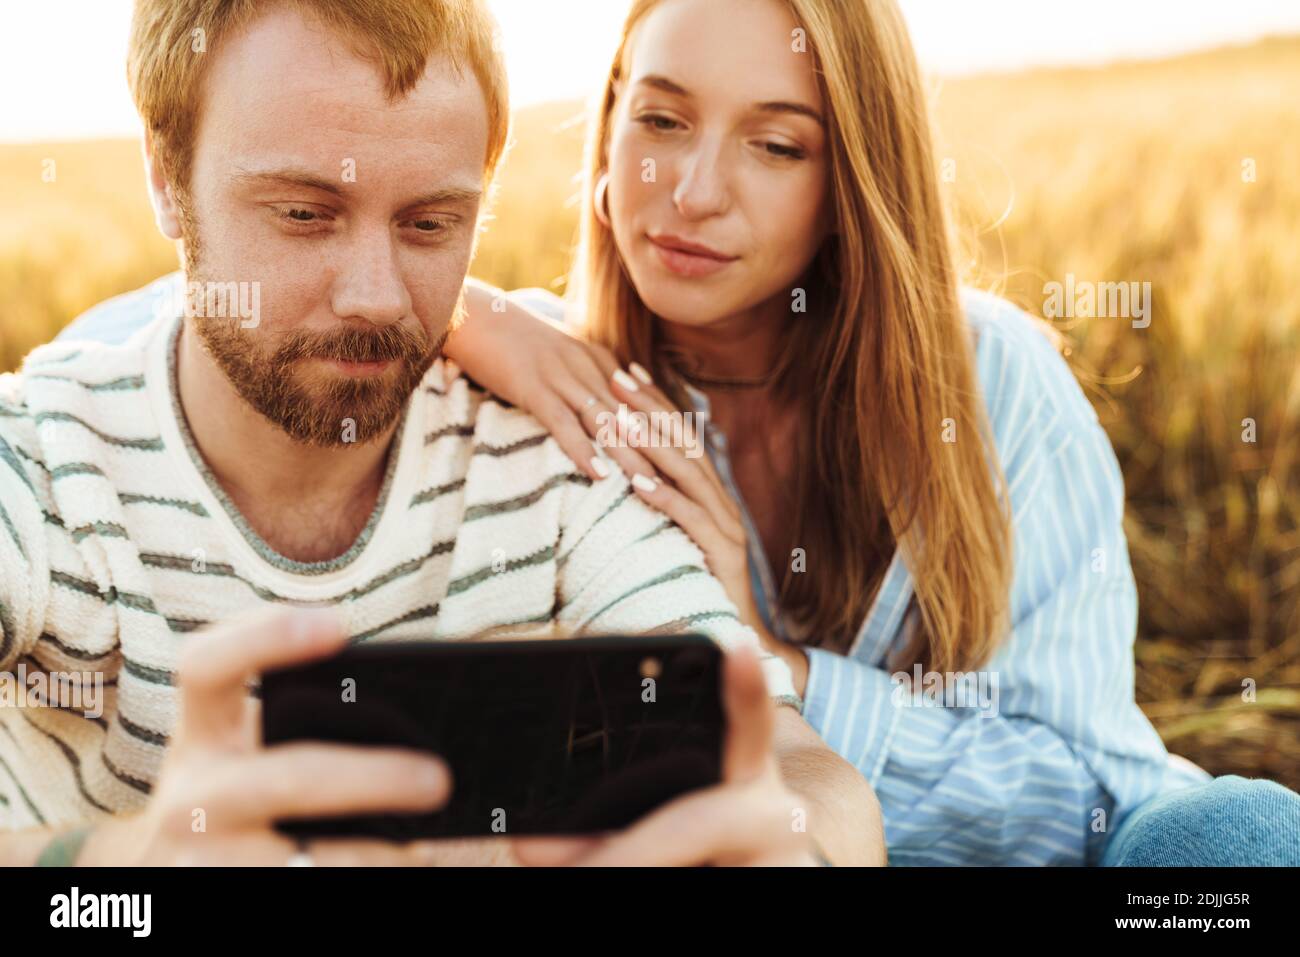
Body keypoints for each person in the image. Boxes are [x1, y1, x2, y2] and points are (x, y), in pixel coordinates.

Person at [0, 0, 887, 867]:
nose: (377, 296)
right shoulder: (41, 467)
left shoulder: (555, 459)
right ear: (165, 173)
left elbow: (792, 758)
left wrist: (786, 839)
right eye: (304, 214)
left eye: (431, 223)